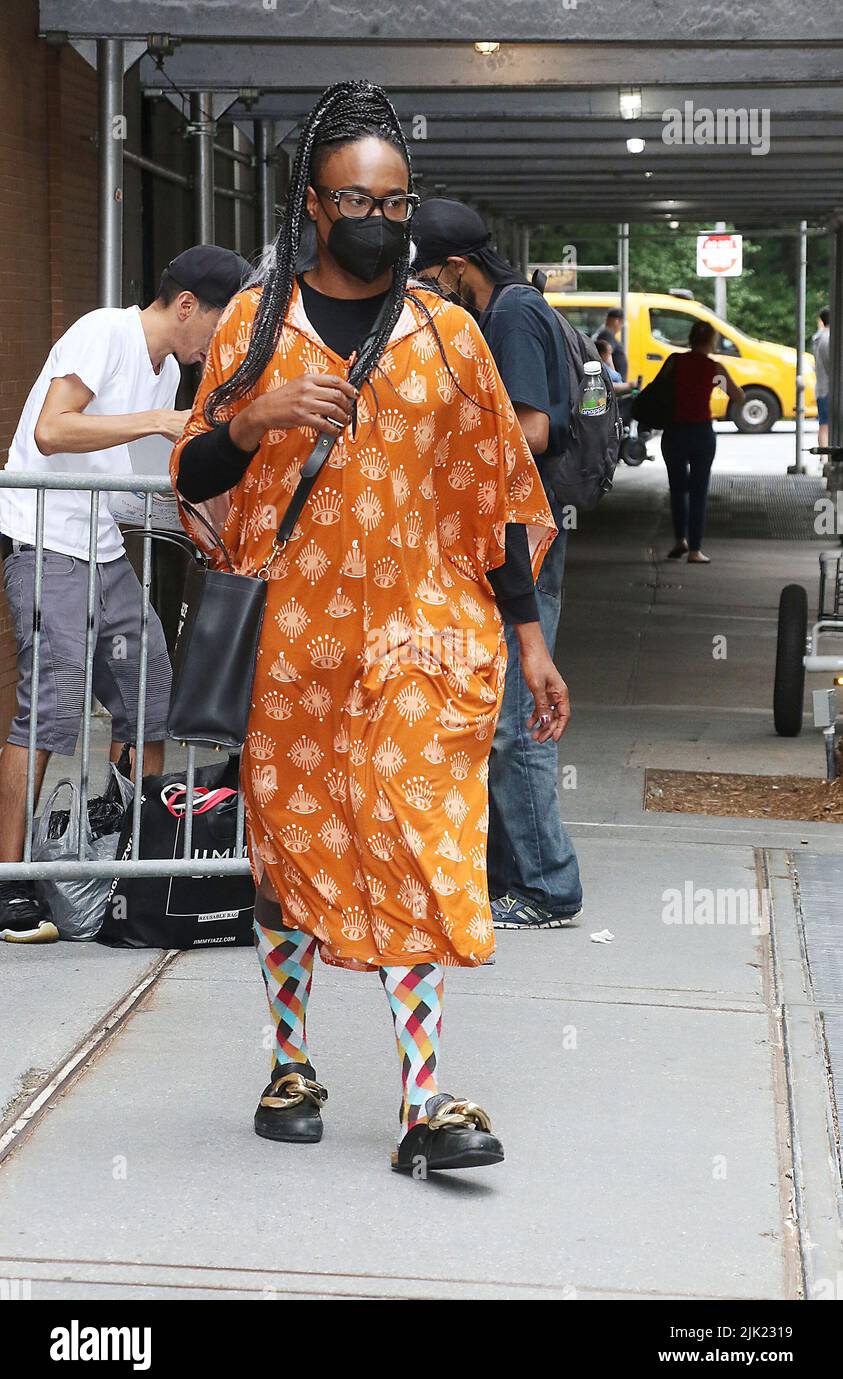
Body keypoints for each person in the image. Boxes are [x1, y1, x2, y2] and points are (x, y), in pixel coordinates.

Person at [170, 81, 566, 1173]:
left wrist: (529, 638)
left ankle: (424, 1103)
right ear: (312, 201)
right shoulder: (255, 322)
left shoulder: (448, 335)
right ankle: (291, 1058)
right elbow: (195, 467)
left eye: (397, 205)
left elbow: (493, 493)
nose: (381, 222)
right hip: (294, 638)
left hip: (421, 637)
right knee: (288, 849)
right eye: (359, 200)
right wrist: (253, 418)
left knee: (414, 830)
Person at [0, 244, 250, 943]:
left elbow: (132, 479)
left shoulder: (167, 366)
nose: (217, 344)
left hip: (104, 549)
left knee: (148, 702)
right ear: (185, 306)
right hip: (47, 541)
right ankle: (9, 881)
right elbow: (52, 430)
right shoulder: (103, 331)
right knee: (48, 712)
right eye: (220, 325)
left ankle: (134, 859)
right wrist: (157, 423)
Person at [411, 198, 583, 931]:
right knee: (503, 709)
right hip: (523, 532)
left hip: (523, 534)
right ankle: (514, 877)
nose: (421, 291)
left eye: (426, 275)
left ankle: (547, 887)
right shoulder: (522, 307)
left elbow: (533, 430)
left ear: (456, 268)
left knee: (516, 719)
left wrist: (441, 435)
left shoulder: (509, 316)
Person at [662, 319, 744, 564]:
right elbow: (739, 396)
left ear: (690, 339)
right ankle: (695, 550)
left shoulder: (675, 361)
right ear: (711, 342)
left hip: (674, 432)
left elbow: (659, 388)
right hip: (701, 433)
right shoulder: (714, 367)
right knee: (699, 491)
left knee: (677, 489)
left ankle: (680, 540)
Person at [813, 306, 830, 449]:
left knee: (824, 424)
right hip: (830, 389)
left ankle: (824, 457)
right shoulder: (829, 339)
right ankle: (826, 457)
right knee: (826, 425)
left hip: (821, 387)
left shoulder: (818, 338)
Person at [595, 308, 628, 381]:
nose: (621, 327)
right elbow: (606, 356)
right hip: (614, 383)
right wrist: (615, 376)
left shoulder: (607, 334)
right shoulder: (607, 334)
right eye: (621, 323)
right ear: (617, 321)